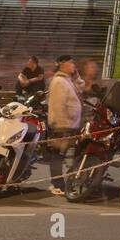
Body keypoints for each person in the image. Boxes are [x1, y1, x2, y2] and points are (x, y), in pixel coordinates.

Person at [45, 55, 81, 196]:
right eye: (71, 62)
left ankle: (64, 183)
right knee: (58, 156)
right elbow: (57, 105)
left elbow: (80, 89)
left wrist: (77, 77)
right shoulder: (59, 81)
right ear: (62, 64)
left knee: (67, 156)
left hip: (70, 124)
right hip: (63, 126)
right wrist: (61, 125)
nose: (73, 65)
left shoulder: (67, 80)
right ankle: (57, 185)